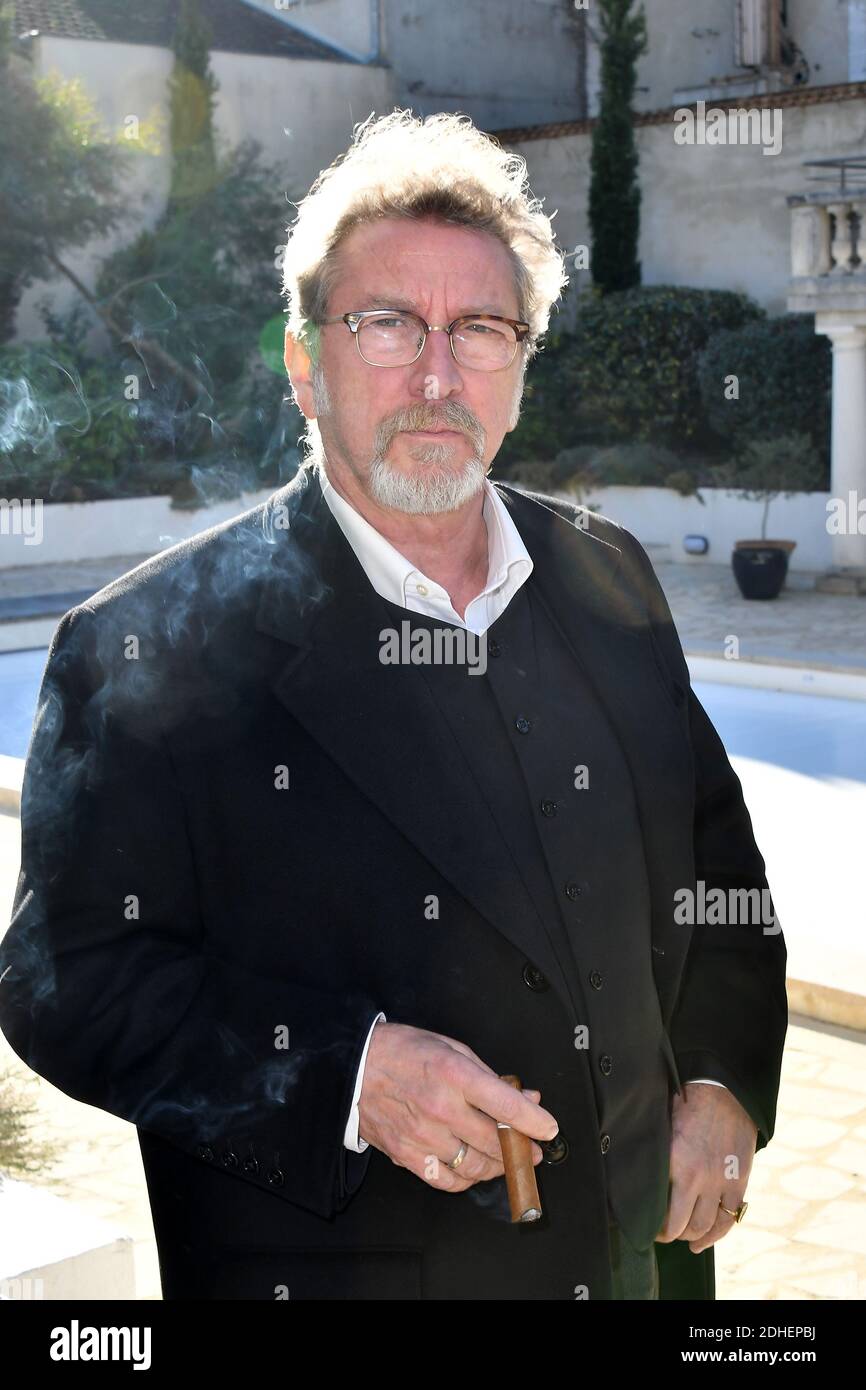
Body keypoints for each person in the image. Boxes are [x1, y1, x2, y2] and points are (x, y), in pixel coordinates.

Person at [0, 110, 787, 1301]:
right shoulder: (136, 643)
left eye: (477, 328)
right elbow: (66, 979)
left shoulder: (606, 573)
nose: (434, 374)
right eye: (385, 326)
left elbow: (714, 864)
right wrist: (344, 1076)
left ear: (520, 366)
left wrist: (723, 1081)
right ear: (304, 363)